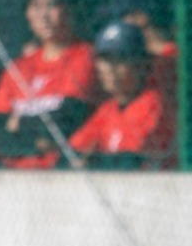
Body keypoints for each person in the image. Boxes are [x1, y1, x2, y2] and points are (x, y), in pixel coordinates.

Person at [0, 0, 97, 168]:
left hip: (60, 172)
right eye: (36, 7)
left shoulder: (85, 57)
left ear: (69, 9)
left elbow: (66, 123)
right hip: (13, 174)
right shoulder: (18, 68)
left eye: (51, 5)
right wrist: (38, 138)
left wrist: (17, 124)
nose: (43, 16)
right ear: (27, 14)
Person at [68, 21, 174, 170]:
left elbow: (132, 160)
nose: (110, 69)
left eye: (120, 59)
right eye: (105, 59)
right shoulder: (108, 109)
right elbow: (74, 149)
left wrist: (91, 160)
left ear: (141, 64)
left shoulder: (154, 104)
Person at [101, 0, 178, 97]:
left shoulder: (168, 60)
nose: (118, 25)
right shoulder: (152, 58)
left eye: (122, 17)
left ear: (140, 18)